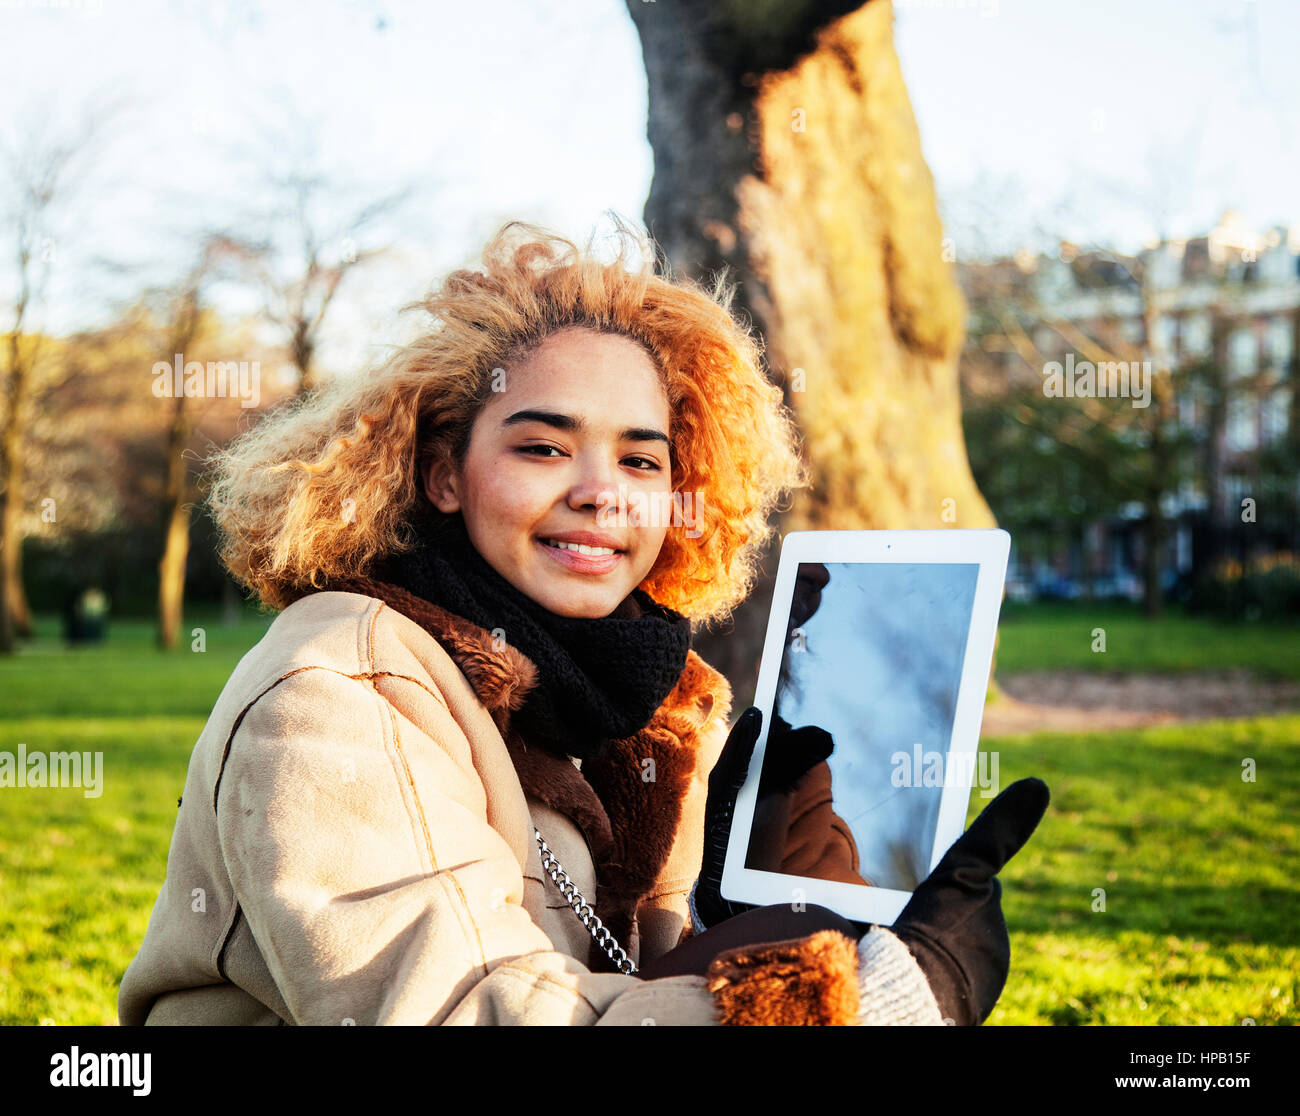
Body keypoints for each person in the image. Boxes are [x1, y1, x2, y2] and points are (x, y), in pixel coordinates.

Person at [117, 217, 1048, 1026]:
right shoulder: (342, 687)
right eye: (543, 446)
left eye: (642, 462)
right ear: (442, 474)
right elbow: (463, 1012)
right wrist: (890, 998)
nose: (602, 493)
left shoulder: (642, 710)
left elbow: (620, 984)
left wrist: (740, 908)